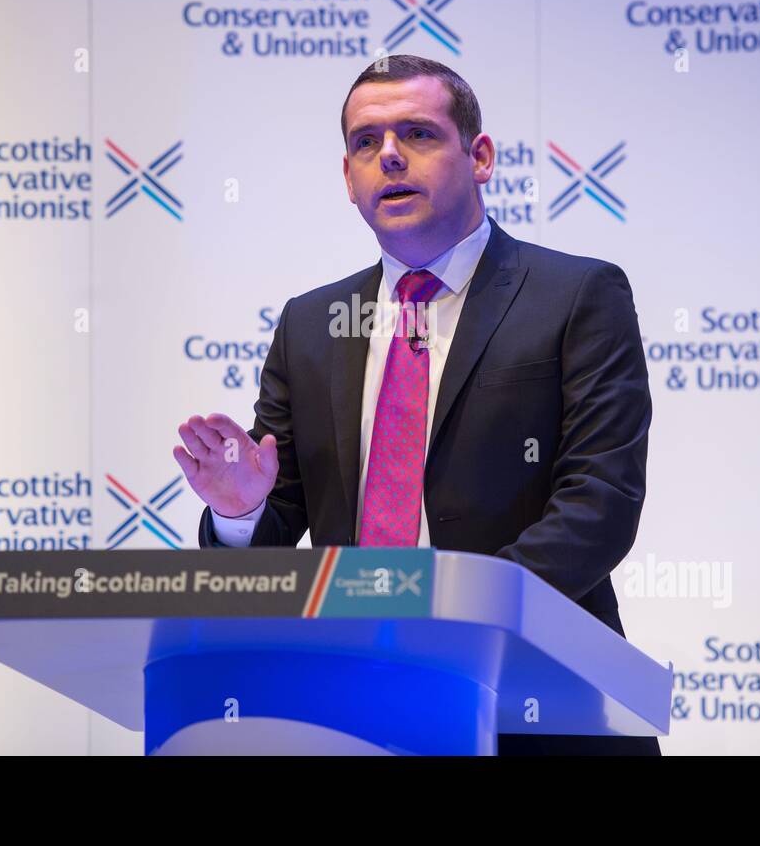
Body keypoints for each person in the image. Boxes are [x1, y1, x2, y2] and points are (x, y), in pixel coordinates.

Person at [173, 54, 658, 755]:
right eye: (366, 143)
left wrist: (446, 617)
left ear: (481, 155)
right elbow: (277, 532)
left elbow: (599, 503)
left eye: (418, 134)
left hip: (539, 708)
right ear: (348, 177)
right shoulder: (312, 323)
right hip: (355, 710)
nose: (389, 156)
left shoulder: (577, 296)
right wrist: (242, 510)